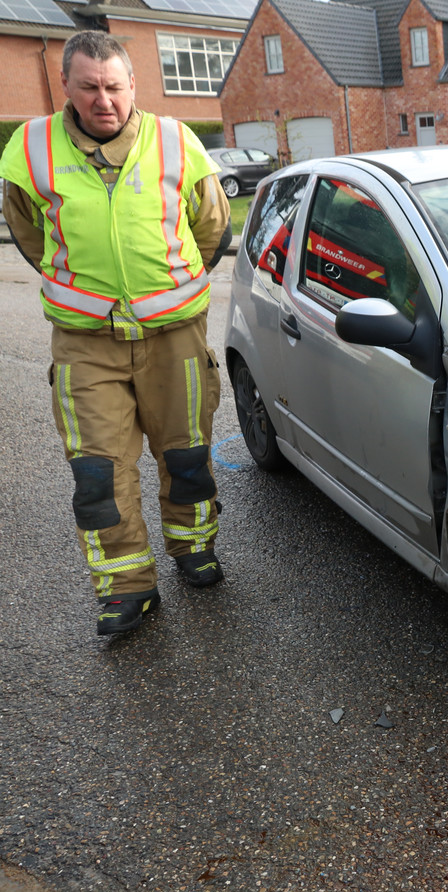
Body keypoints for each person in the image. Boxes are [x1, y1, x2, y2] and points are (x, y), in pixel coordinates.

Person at [1, 31, 232, 635]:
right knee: (98, 472)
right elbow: (28, 235)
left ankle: (193, 549)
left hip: (174, 334)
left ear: (133, 86)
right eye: (89, 87)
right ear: (68, 88)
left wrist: (166, 291)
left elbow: (211, 229)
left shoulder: (178, 141)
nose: (104, 99)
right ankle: (128, 588)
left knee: (187, 456)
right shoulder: (30, 149)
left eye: (114, 86)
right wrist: (87, 291)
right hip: (85, 342)